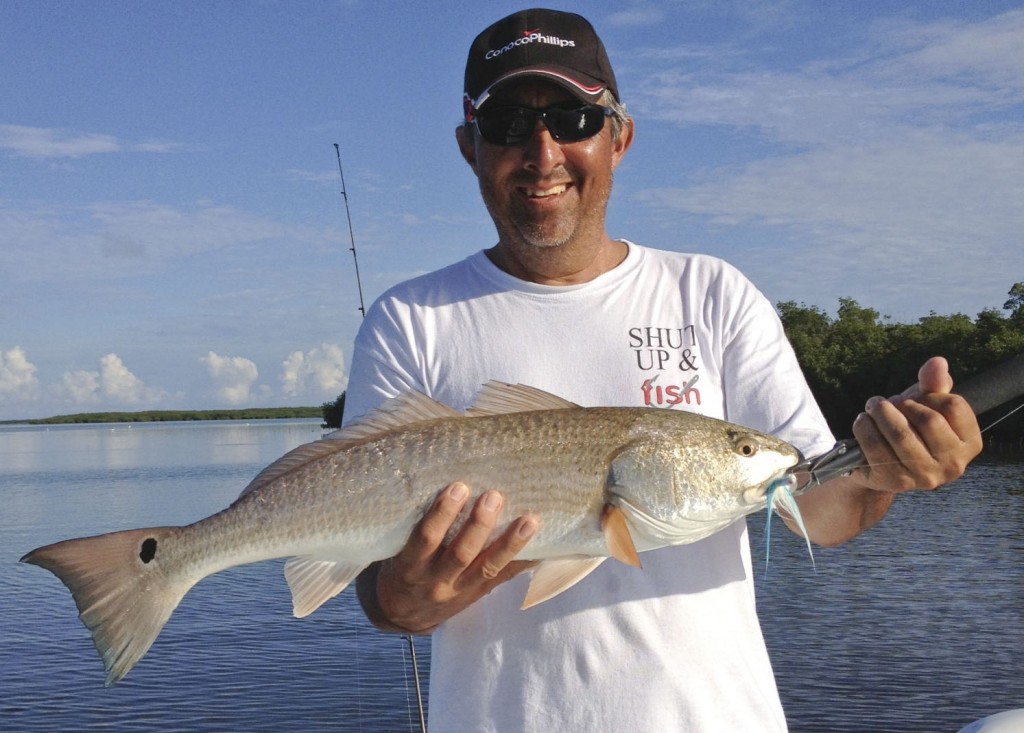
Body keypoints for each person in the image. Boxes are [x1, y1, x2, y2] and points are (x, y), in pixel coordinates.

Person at [345, 9, 982, 731]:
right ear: (469, 146)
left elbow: (818, 508)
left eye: (574, 117)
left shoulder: (712, 293)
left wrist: (881, 467)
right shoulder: (408, 320)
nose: (543, 151)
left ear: (620, 137)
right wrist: (408, 595)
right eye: (508, 123)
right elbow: (382, 598)